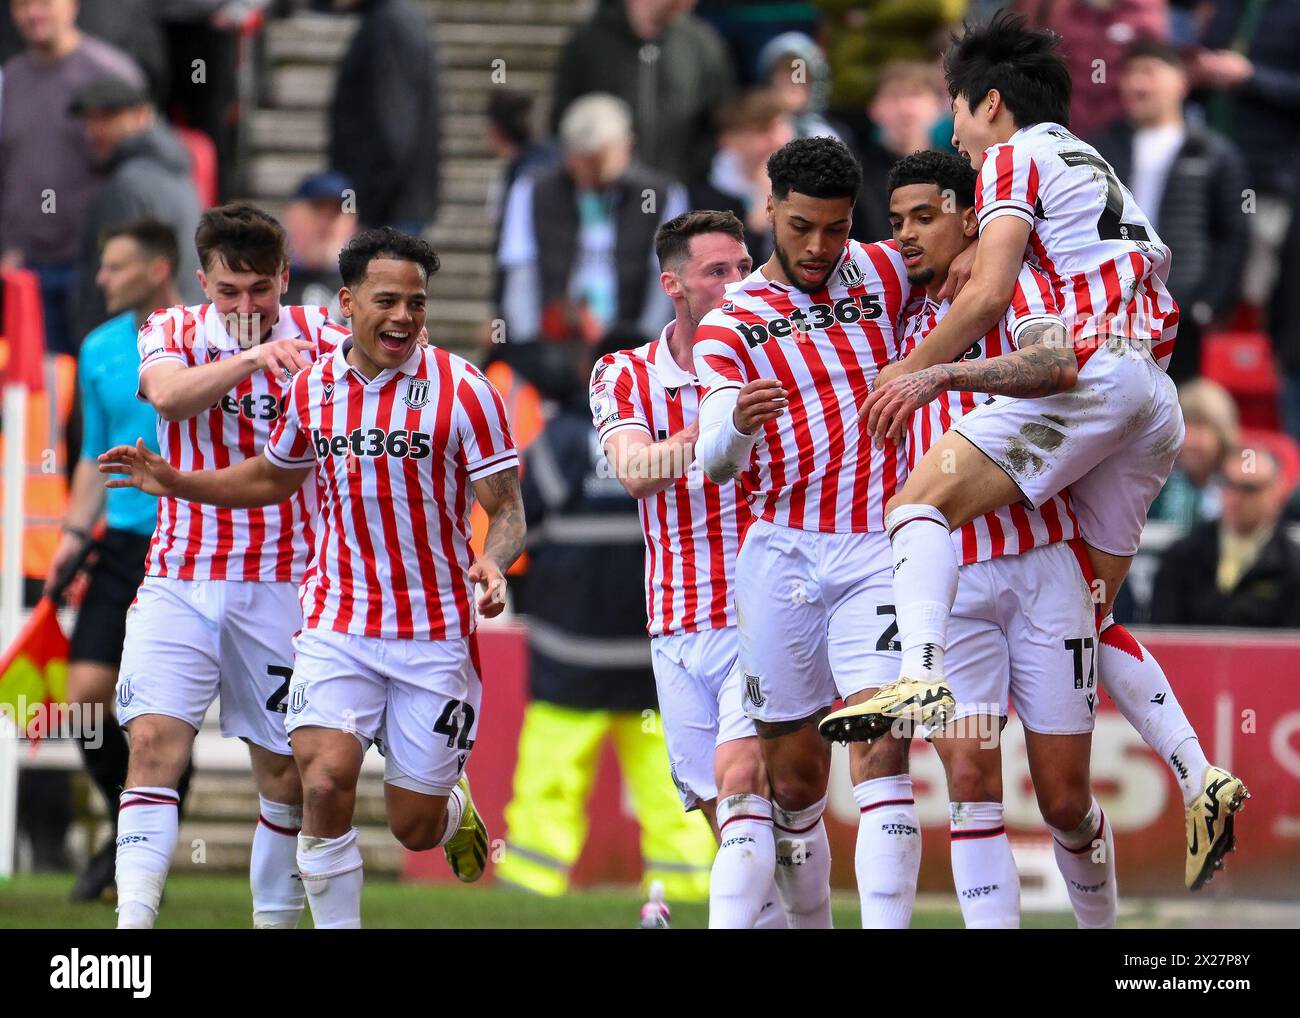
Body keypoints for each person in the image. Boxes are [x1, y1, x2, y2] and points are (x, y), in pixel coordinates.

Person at [832, 11, 1248, 890]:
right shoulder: (1096, 163)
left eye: (957, 108)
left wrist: (913, 373)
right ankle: (1199, 771)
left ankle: (919, 674)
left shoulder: (1015, 156)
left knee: (915, 503)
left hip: (1089, 377)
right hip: (1152, 399)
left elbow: (986, 301)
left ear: (992, 102)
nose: (953, 130)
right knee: (1093, 616)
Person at [102, 227, 526, 929]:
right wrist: (174, 479)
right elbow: (270, 475)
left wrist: (494, 559)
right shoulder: (314, 384)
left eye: (416, 304)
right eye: (387, 301)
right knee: (321, 781)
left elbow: (507, 508)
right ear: (351, 303)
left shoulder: (466, 389)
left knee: (411, 824)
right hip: (332, 621)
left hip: (431, 629)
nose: (402, 318)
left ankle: (450, 807)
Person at [692, 136, 919, 928]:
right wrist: (739, 431)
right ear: (770, 212)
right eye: (801, 228)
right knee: (792, 785)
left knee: (883, 751)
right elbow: (717, 460)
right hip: (781, 552)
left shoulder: (887, 271)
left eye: (836, 227)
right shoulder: (732, 324)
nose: (820, 246)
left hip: (877, 547)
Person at [103, 202, 342, 930]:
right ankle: (132, 930)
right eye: (229, 290)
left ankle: (271, 922)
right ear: (202, 282)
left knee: (286, 776)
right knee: (150, 744)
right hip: (181, 574)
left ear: (285, 278)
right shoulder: (169, 330)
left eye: (261, 289)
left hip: (284, 584)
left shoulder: (325, 338)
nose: (246, 306)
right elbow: (170, 399)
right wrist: (250, 357)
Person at [591, 209, 788, 927]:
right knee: (736, 826)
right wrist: (719, 426)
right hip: (674, 624)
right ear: (673, 283)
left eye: (744, 268)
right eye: (717, 272)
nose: (737, 283)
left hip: (763, 613)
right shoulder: (623, 372)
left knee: (744, 787)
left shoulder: (775, 363)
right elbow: (637, 471)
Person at [496, 329, 716, 906]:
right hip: (654, 654)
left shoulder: (566, 437)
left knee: (550, 777)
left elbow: (521, 523)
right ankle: (689, 888)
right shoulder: (681, 440)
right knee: (675, 781)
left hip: (571, 654)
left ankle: (529, 888)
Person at [48, 218, 187, 902]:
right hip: (124, 544)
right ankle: (139, 809)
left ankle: (152, 811)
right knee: (81, 700)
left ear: (159, 269)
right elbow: (89, 457)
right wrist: (73, 539)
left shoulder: (201, 336)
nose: (101, 279)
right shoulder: (99, 347)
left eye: (117, 267)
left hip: (195, 539)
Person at [1091, 38, 1249, 383]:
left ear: (1181, 82)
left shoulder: (1214, 153)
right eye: (1130, 74)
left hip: (1182, 311)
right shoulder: (1099, 149)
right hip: (1112, 309)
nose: (1136, 84)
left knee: (1176, 406)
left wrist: (1208, 303)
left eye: (1148, 71)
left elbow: (1233, 234)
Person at [0, 0, 145, 355]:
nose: (33, 13)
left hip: (95, 269)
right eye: (22, 5)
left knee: (96, 379)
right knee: (39, 394)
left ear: (72, 5)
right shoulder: (10, 81)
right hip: (27, 267)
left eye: (45, 3)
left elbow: (136, 168)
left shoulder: (109, 73)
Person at [498, 93, 686, 345]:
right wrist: (529, 347)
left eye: (599, 162)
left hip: (631, 342)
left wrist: (651, 348)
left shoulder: (661, 195)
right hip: (554, 341)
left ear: (627, 148)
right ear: (566, 152)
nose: (590, 174)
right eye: (581, 161)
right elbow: (521, 273)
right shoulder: (532, 190)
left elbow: (664, 280)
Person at [70, 75, 203, 344]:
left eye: (108, 116)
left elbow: (113, 282)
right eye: (89, 119)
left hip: (138, 343)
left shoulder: (127, 185)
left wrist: (94, 343)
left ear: (142, 115)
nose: (94, 130)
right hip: (179, 335)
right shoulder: (179, 175)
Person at [548, 0, 735, 187]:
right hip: (605, 193)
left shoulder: (702, 44)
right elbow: (564, 116)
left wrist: (693, 175)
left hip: (681, 190)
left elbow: (721, 119)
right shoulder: (589, 41)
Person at [1195, 0, 1300, 306]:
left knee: (1253, 280)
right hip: (1210, 166)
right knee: (1206, 270)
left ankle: (1250, 352)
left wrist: (1250, 77)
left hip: (1267, 171)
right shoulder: (1230, 7)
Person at [1152, 446, 1300, 628]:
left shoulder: (1293, 563)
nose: (1235, 497)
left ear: (1276, 492)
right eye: (1228, 484)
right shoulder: (1182, 555)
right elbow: (1163, 635)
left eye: (1249, 489)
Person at [327, 0, 441, 233]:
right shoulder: (389, 20)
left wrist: (361, 208)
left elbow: (393, 133)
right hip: (391, 207)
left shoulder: (390, 25)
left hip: (387, 212)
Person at [689, 90, 793, 267]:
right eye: (764, 130)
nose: (778, 139)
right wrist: (762, 206)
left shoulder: (812, 181)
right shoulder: (704, 200)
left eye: (781, 126)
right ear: (729, 141)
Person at [851, 61, 948, 246]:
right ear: (874, 109)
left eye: (916, 95)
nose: (905, 108)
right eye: (894, 97)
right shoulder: (856, 175)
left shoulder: (955, 174)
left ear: (937, 106)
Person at [1149, 378, 1240, 525]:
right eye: (1184, 425)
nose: (1190, 440)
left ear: (1222, 434)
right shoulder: (1154, 484)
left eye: (1200, 427)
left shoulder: (1239, 487)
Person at [281, 170, 356, 318]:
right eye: (318, 211)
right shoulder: (270, 280)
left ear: (352, 222)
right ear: (291, 215)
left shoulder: (365, 283)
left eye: (336, 214)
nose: (326, 224)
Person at [756, 31, 845, 143]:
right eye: (784, 79)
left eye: (799, 78)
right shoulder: (751, 135)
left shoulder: (824, 137)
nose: (791, 88)